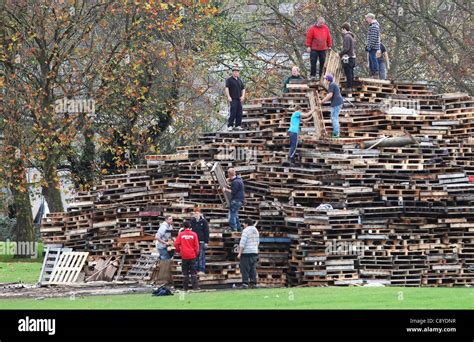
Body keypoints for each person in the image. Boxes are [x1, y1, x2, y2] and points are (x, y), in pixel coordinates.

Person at [174, 221, 200, 291]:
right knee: (193, 272)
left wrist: (178, 251)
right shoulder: (194, 234)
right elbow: (197, 245)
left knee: (185, 272)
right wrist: (196, 253)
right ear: (190, 226)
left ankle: (185, 288)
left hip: (184, 256)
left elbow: (176, 244)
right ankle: (195, 287)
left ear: (183, 227)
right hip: (192, 255)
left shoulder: (181, 235)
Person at [238, 218, 260, 289]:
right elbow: (258, 241)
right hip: (254, 252)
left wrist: (239, 253)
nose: (243, 225)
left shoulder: (245, 231)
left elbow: (242, 243)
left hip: (246, 252)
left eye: (243, 224)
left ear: (246, 224)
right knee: (252, 268)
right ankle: (254, 283)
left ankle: (245, 283)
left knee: (245, 269)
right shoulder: (256, 230)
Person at [321, 74, 344, 138]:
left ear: (328, 80)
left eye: (326, 79)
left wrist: (322, 101)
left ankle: (336, 133)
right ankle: (336, 132)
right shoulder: (333, 84)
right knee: (334, 117)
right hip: (337, 103)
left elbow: (330, 95)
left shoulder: (331, 85)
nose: (325, 80)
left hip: (336, 103)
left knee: (334, 118)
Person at [225, 65, 245, 131]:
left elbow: (243, 89)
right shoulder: (229, 80)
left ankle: (238, 125)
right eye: (235, 71)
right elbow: (226, 88)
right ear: (233, 72)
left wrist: (243, 96)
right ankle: (230, 125)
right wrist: (228, 96)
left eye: (237, 72)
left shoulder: (239, 80)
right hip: (232, 98)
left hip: (239, 99)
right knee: (233, 112)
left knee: (239, 113)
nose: (236, 73)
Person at [190, 207, 209, 275]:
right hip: (194, 241)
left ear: (200, 213)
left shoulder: (204, 221)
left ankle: (201, 269)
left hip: (201, 241)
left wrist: (206, 242)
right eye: (195, 213)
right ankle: (195, 269)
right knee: (195, 256)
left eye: (197, 213)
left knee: (201, 255)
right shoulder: (192, 221)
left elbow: (206, 232)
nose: (196, 215)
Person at [339, 22, 356, 91]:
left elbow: (346, 48)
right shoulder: (351, 36)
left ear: (344, 29)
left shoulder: (346, 37)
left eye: (342, 29)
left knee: (348, 72)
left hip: (347, 57)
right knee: (351, 72)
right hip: (352, 57)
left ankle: (349, 87)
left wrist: (339, 54)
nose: (342, 31)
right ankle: (351, 86)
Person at [365, 13, 381, 77]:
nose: (366, 20)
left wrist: (369, 46)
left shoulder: (374, 26)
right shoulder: (373, 26)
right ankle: (372, 72)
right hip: (372, 46)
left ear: (370, 18)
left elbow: (373, 38)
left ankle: (375, 71)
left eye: (367, 18)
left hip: (373, 47)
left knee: (373, 59)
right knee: (371, 60)